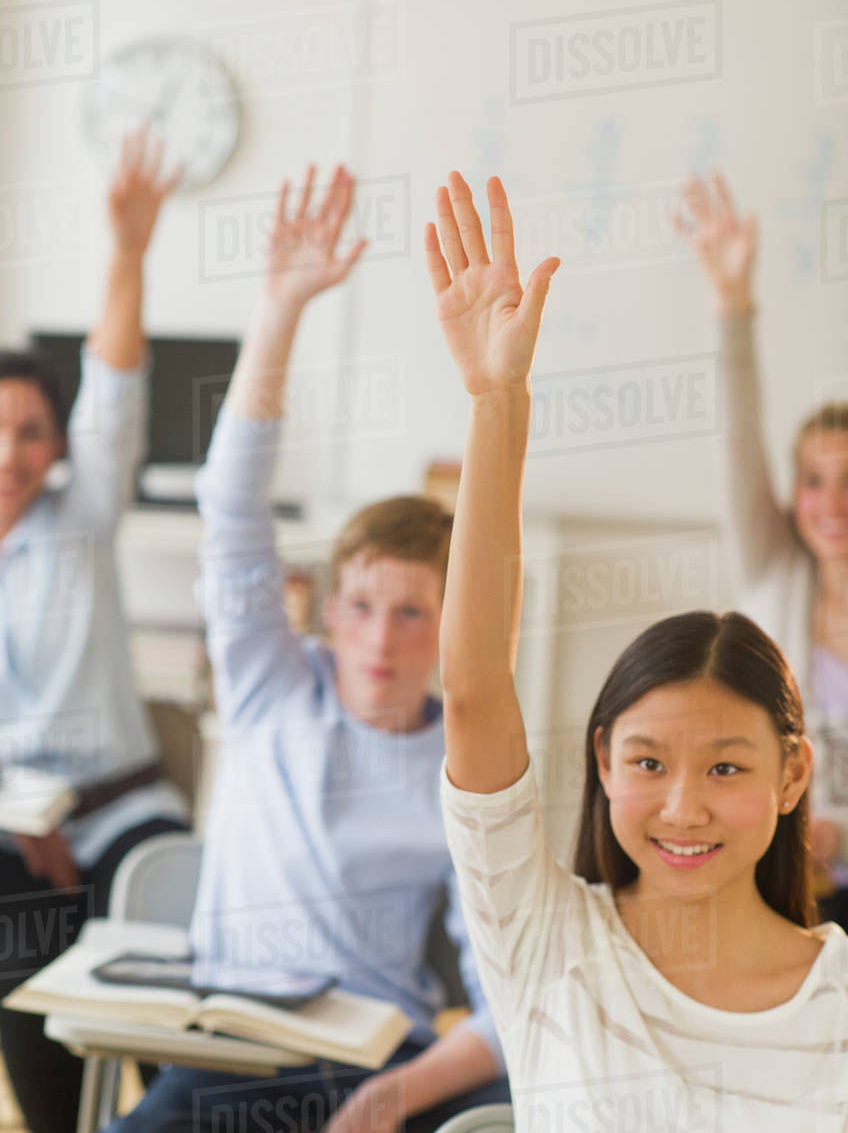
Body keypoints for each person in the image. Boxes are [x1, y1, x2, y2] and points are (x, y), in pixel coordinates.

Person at [427, 171, 848, 1128]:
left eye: (727, 765)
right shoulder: (541, 937)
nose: (682, 805)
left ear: (792, 778)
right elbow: (475, 686)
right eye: (648, 762)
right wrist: (499, 401)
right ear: (604, 765)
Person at [108, 165, 507, 1133]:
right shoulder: (270, 687)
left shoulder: (466, 764)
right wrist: (280, 306)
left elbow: (506, 1000)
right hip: (235, 1049)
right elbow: (230, 506)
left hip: (380, 1060)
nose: (379, 638)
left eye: (414, 614)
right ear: (328, 609)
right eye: (362, 605)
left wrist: (392, 1096)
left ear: (451, 627)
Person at [0, 130, 189, 1133]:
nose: (10, 451)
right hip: (10, 830)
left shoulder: (79, 519)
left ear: (56, 444)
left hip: (123, 812)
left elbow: (115, 389)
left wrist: (127, 250)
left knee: (171, 922)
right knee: (15, 947)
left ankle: (170, 1117)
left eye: (31, 430)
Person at [674, 174, 848, 929]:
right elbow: (736, 447)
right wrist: (732, 305)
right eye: (813, 480)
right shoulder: (775, 571)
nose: (830, 505)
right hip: (766, 867)